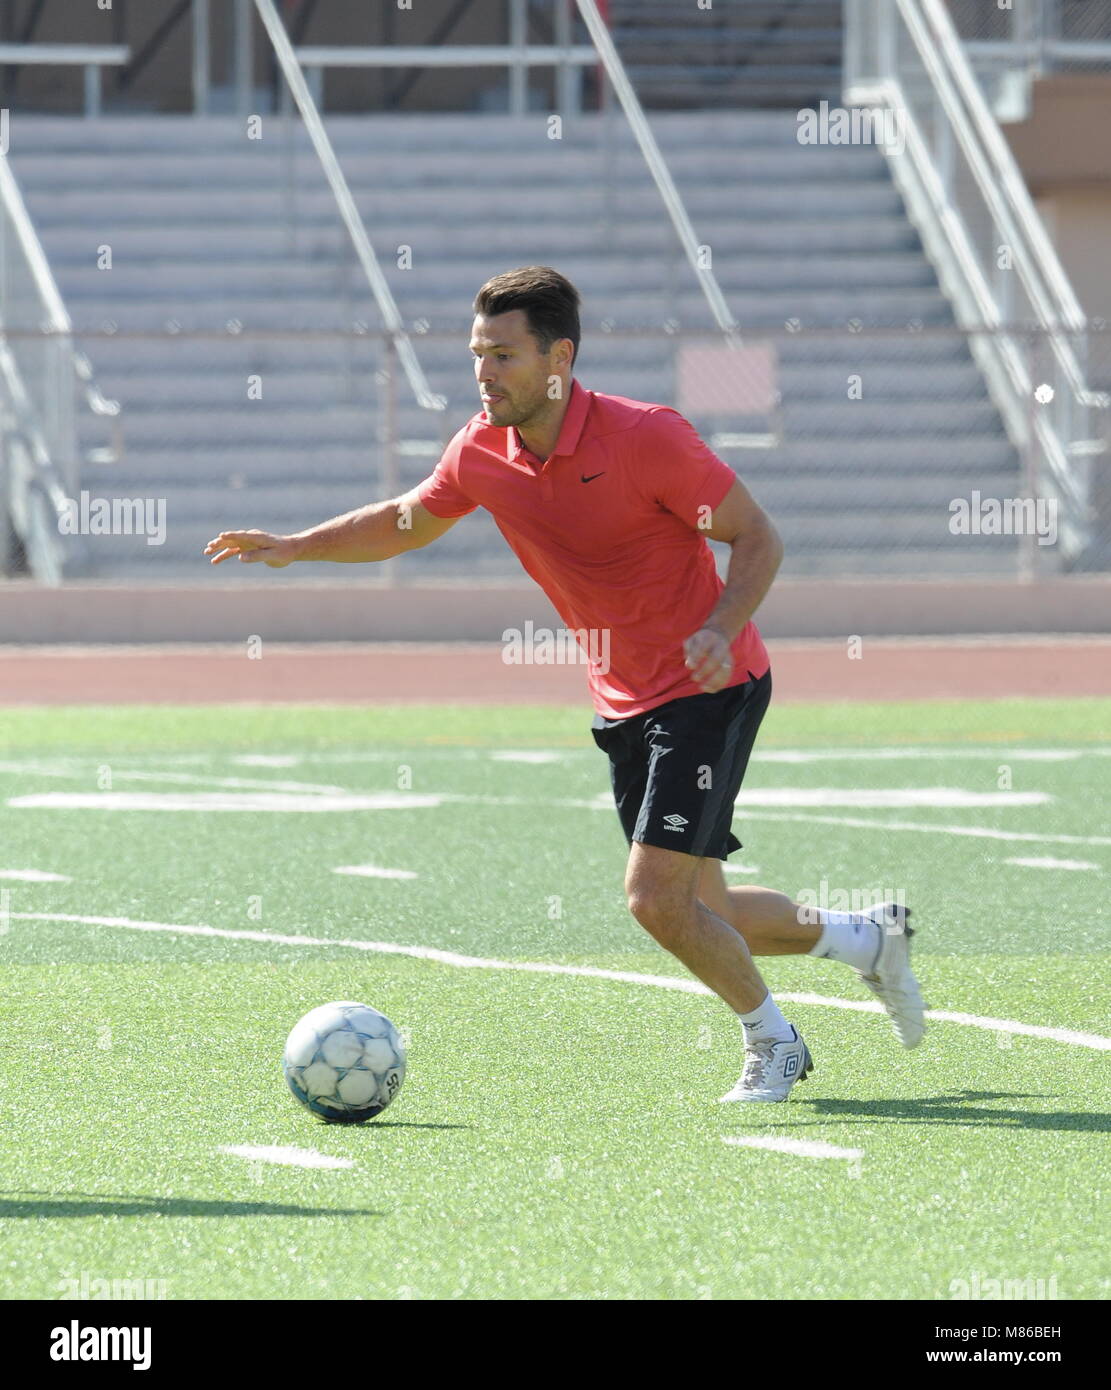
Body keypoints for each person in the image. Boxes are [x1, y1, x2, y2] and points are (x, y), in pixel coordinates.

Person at [205, 265, 926, 1102]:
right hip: (623, 700)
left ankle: (775, 1043)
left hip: (711, 685)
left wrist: (718, 629)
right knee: (705, 908)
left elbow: (757, 535)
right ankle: (866, 940)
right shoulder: (480, 450)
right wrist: (300, 544)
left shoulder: (644, 437)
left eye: (503, 356)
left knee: (653, 900)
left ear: (560, 359)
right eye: (477, 354)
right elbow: (405, 522)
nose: (483, 373)